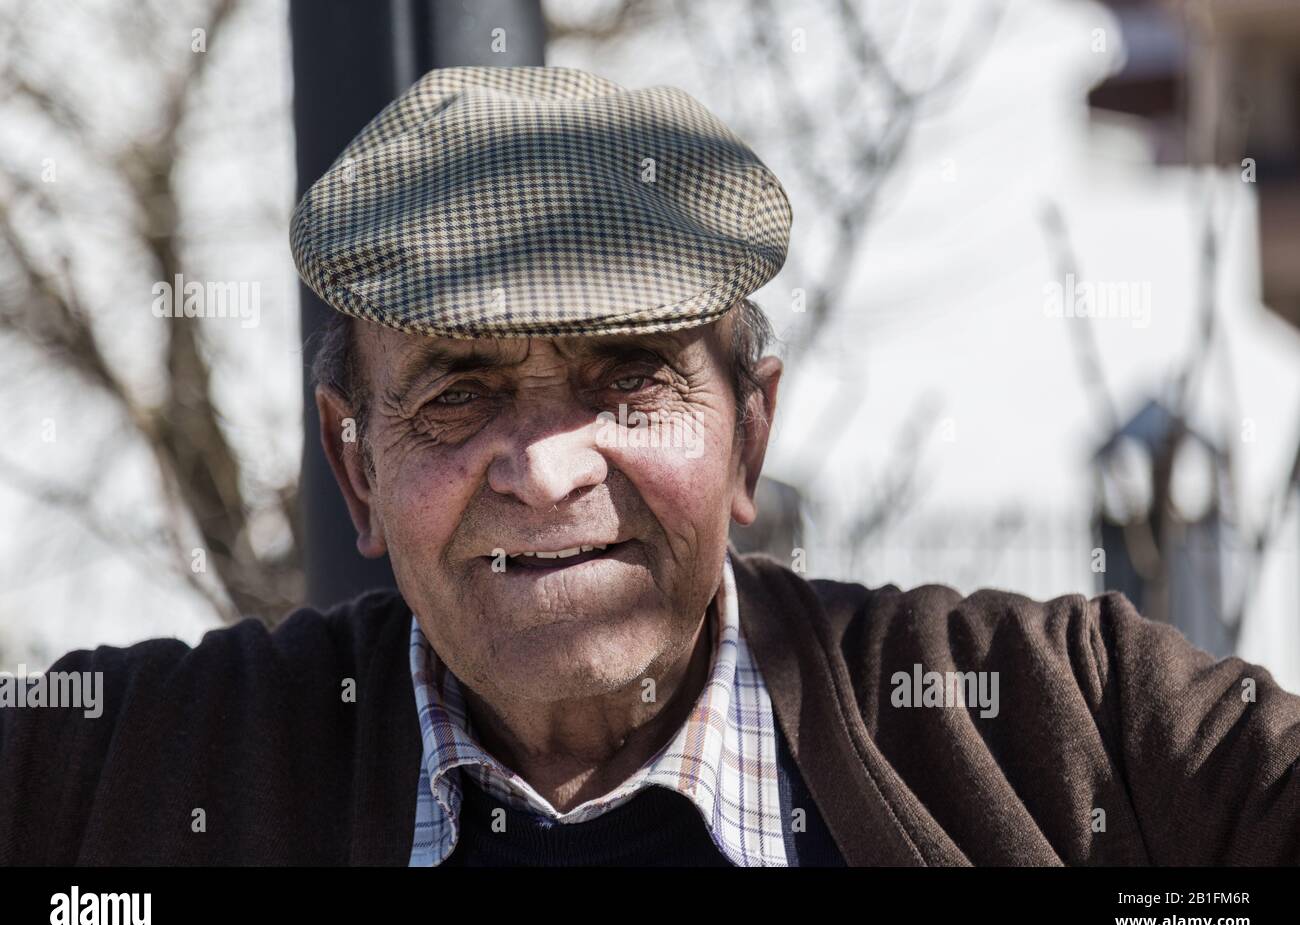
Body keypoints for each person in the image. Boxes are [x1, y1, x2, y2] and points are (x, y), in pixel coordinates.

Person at [2, 66, 1297, 866]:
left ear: (751, 430)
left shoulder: (1072, 728)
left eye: (630, 378)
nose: (549, 467)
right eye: (460, 393)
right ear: (355, 468)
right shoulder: (123, 780)